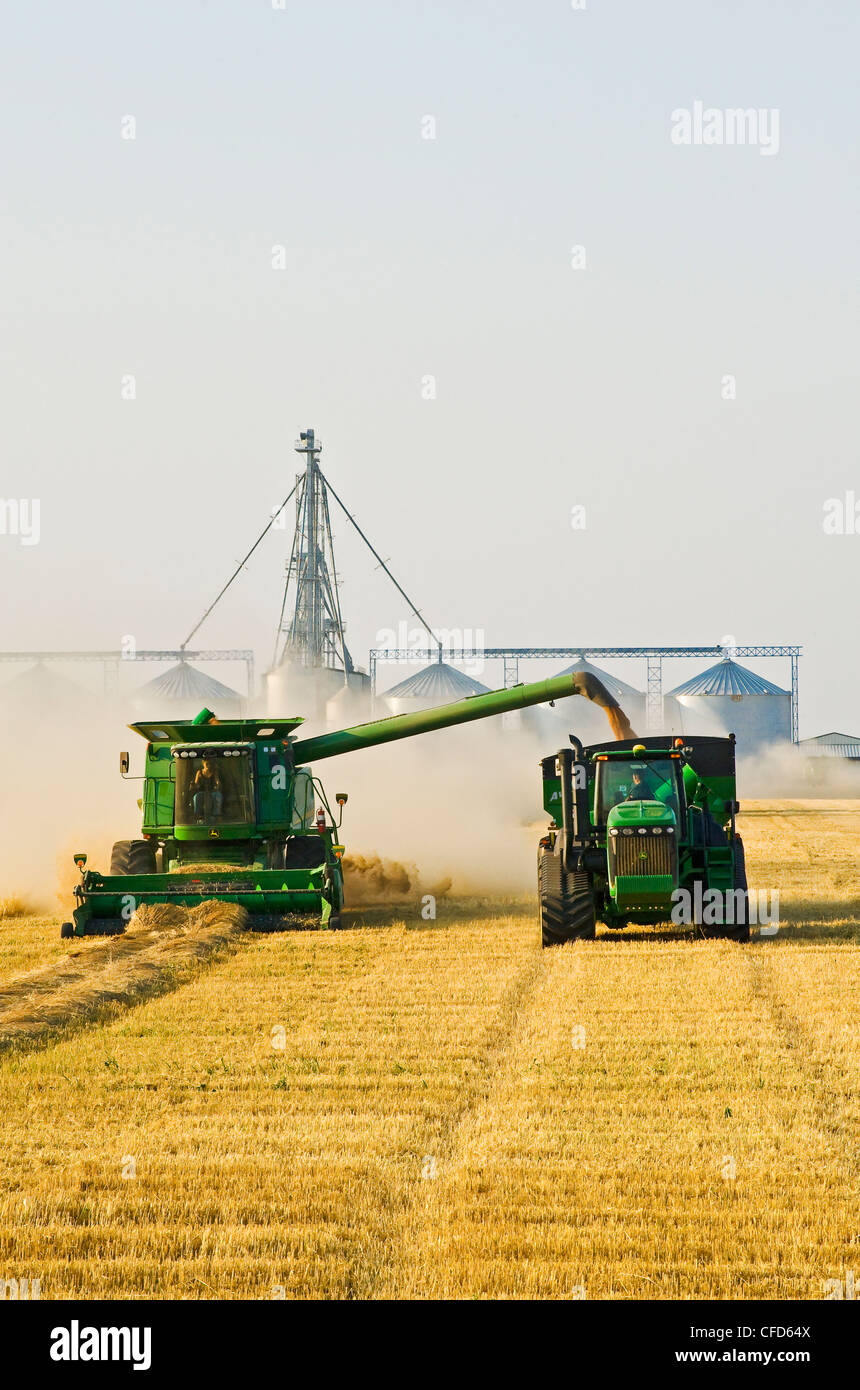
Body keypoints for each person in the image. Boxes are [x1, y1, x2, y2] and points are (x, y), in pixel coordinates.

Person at [191, 757, 224, 821]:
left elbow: (217, 781)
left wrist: (218, 785)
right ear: (203, 764)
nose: (208, 765)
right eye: (207, 763)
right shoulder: (199, 772)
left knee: (218, 796)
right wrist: (194, 785)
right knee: (196, 797)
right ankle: (198, 815)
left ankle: (216, 814)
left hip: (212, 791)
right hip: (202, 791)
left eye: (210, 764)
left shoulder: (214, 772)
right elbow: (196, 783)